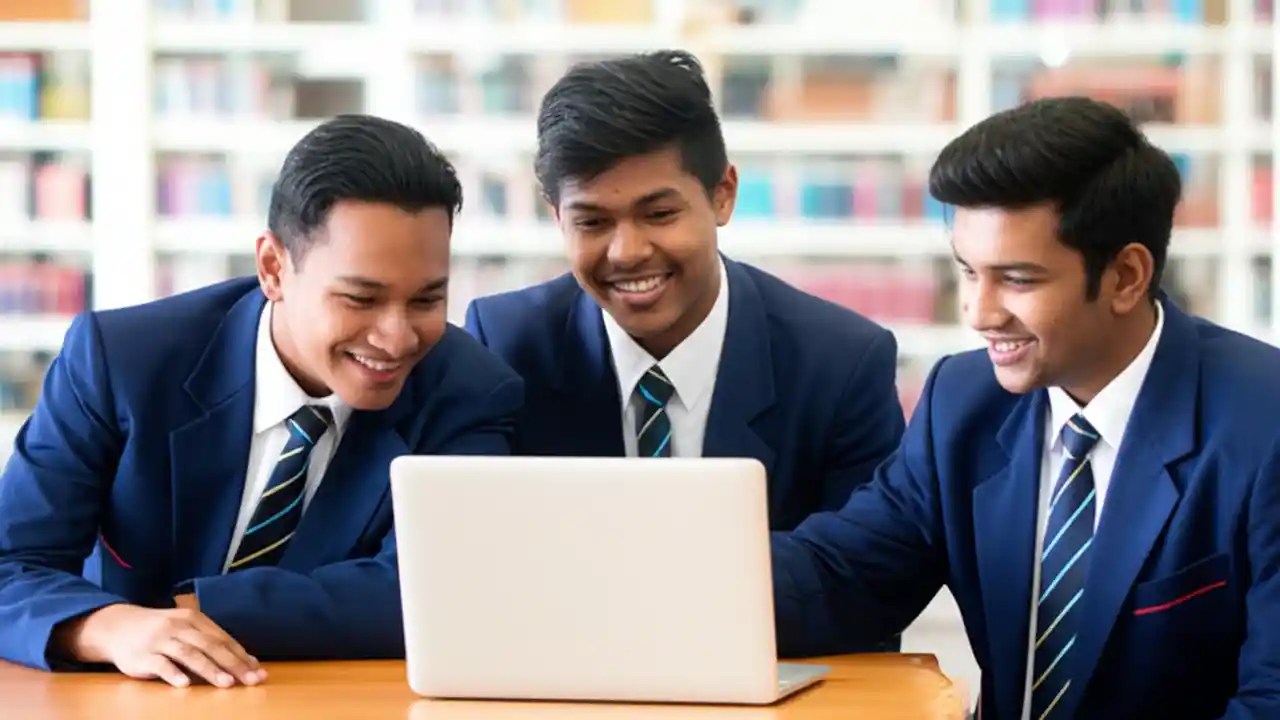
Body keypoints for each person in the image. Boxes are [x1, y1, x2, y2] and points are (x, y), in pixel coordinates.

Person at [770, 96, 1280, 719]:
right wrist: (670, 581)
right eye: (967, 272)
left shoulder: (1263, 425)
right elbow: (841, 576)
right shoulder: (964, 401)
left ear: (1125, 277)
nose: (980, 314)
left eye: (1017, 279)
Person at [0, 114, 523, 688]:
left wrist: (193, 614)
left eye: (427, 300)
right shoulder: (122, 360)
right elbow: (12, 565)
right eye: (360, 299)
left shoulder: (469, 389)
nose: (397, 337)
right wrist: (109, 626)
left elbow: (437, 591)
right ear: (274, 268)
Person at [463, 50, 905, 543]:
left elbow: (868, 584)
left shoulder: (839, 364)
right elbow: (476, 550)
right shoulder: (505, 346)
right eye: (592, 222)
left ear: (723, 195)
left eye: (658, 215)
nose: (626, 253)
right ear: (557, 217)